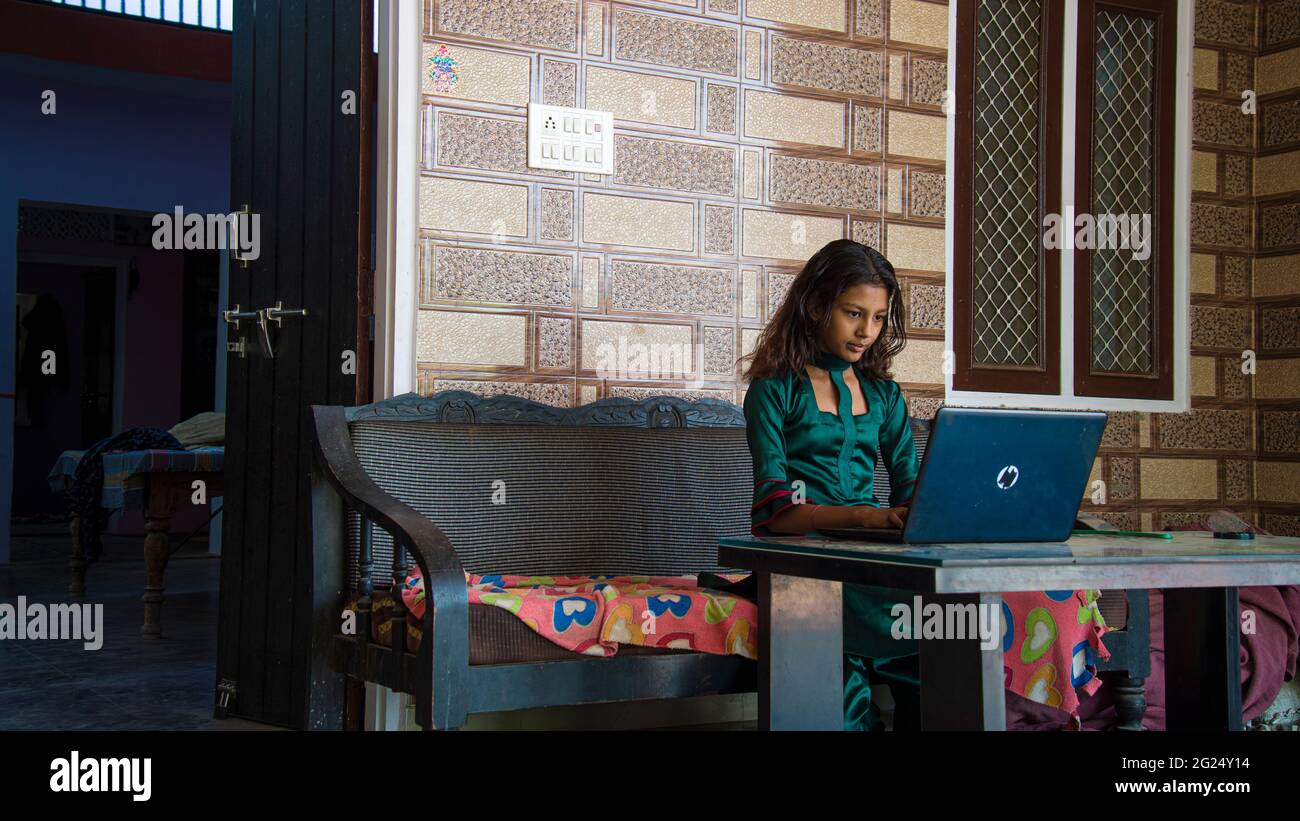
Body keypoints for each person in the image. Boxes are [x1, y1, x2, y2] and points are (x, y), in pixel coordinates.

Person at [740, 239, 1108, 730]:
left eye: (877, 318)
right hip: (805, 561)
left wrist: (960, 510)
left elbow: (914, 490)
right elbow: (775, 513)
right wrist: (866, 516)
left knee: (954, 619)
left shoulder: (883, 395)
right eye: (853, 313)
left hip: (874, 556)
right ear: (814, 305)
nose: (866, 331)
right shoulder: (773, 391)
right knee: (911, 623)